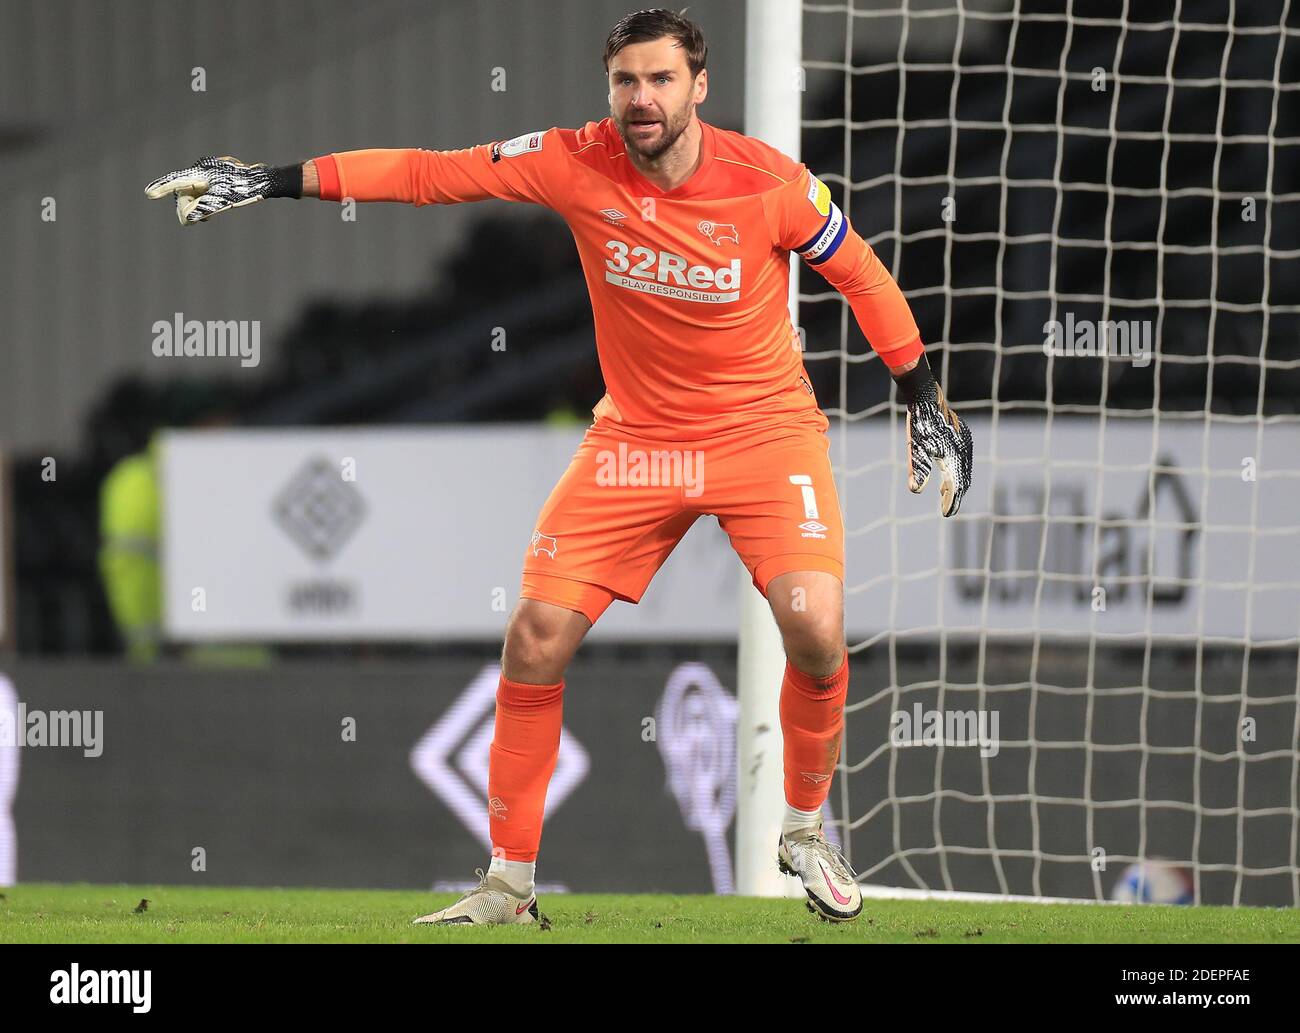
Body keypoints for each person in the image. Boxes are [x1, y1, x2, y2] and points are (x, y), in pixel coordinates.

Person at [145, 8, 973, 925]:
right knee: (535, 635)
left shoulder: (769, 182)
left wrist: (921, 392)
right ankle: (508, 882)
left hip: (762, 434)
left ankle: (805, 827)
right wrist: (271, 180)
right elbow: (431, 174)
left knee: (815, 628)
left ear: (700, 86)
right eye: (626, 81)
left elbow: (859, 271)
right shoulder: (575, 158)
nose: (641, 99)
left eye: (661, 80)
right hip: (637, 442)